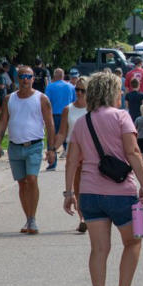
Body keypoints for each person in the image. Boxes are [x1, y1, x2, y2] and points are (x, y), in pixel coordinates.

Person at [63, 71, 143, 286]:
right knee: (135, 240)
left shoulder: (81, 122)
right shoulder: (122, 117)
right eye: (119, 90)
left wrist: (69, 192)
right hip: (124, 192)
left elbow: (71, 161)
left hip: (89, 193)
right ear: (112, 92)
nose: (122, 93)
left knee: (98, 249)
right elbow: (133, 152)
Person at [0, 65, 57, 234]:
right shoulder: (10, 99)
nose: (25, 80)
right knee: (22, 184)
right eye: (22, 76)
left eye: (28, 77)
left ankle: (33, 219)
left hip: (34, 146)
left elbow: (50, 125)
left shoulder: (41, 98)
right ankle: (28, 218)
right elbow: (2, 121)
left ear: (33, 79)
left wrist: (51, 149)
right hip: (15, 147)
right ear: (17, 78)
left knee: (32, 179)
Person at [52, 76, 89, 232]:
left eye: (83, 90)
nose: (79, 93)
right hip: (74, 152)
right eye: (77, 90)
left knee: (91, 187)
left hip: (91, 152)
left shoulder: (94, 109)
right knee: (78, 186)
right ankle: (83, 218)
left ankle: (93, 216)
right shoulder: (68, 109)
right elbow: (61, 133)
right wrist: (52, 149)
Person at [44, 68, 76, 170]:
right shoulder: (71, 87)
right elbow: (75, 101)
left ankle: (52, 163)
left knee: (52, 139)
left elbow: (46, 102)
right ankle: (72, 162)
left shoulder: (50, 87)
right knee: (68, 139)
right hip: (68, 115)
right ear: (63, 76)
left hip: (54, 115)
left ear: (54, 76)